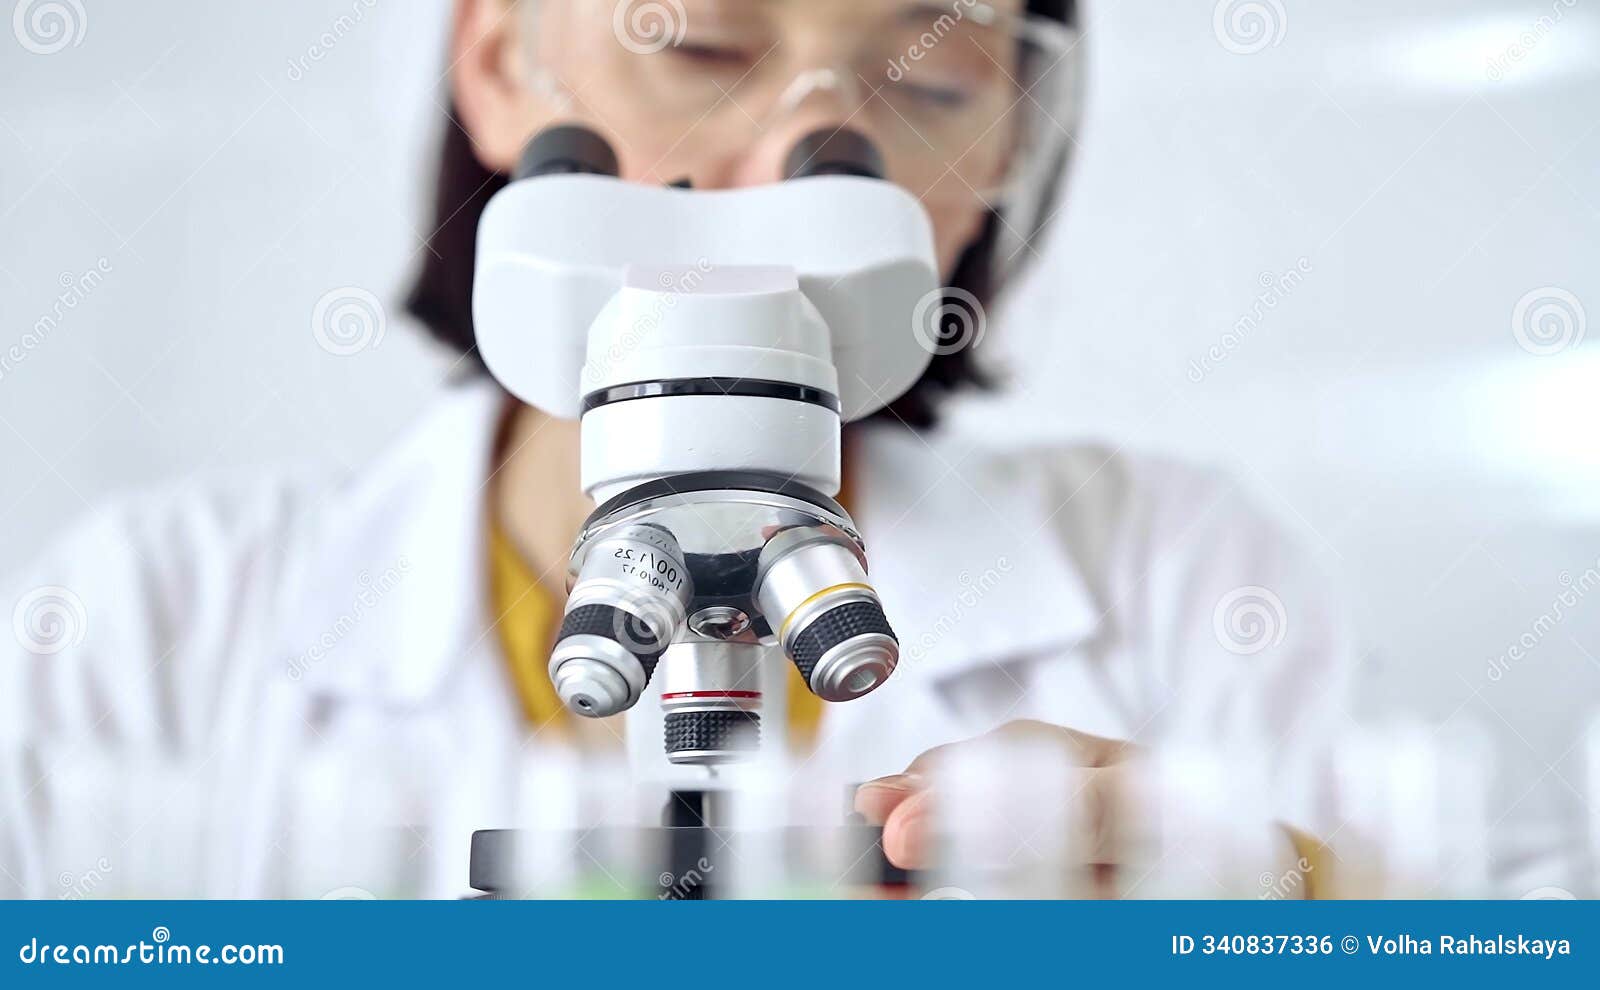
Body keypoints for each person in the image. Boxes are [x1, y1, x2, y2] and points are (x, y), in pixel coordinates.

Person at [1, 0, 1352, 897]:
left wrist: (1277, 894)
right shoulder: (148, 611)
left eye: (932, 81)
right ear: (500, 62)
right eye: (702, 42)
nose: (787, 164)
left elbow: (1510, 918)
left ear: (1010, 143)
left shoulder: (1183, 572)